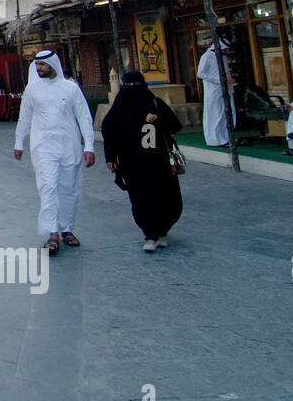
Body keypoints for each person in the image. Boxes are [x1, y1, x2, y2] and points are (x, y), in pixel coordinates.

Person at [13, 50, 95, 254]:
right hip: (43, 146)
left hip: (70, 145)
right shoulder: (32, 89)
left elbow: (84, 116)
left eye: (42, 64)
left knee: (69, 189)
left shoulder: (70, 88)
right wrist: (19, 141)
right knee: (48, 186)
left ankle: (66, 229)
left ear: (52, 65)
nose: (38, 68)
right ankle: (52, 233)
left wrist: (89, 146)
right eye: (37, 65)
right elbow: (24, 117)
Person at [101, 71, 183, 252]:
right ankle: (150, 234)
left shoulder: (155, 104)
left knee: (166, 198)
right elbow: (109, 133)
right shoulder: (119, 111)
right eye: (128, 86)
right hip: (132, 164)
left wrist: (158, 120)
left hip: (159, 162)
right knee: (141, 199)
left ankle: (162, 231)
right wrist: (110, 158)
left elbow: (175, 126)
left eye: (136, 85)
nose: (132, 90)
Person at [196, 39, 234, 147]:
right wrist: (219, 79)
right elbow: (201, 73)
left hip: (224, 90)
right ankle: (215, 139)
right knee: (215, 114)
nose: (226, 51)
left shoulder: (222, 57)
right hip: (213, 91)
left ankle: (225, 138)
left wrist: (229, 83)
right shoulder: (207, 56)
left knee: (224, 115)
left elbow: (226, 72)